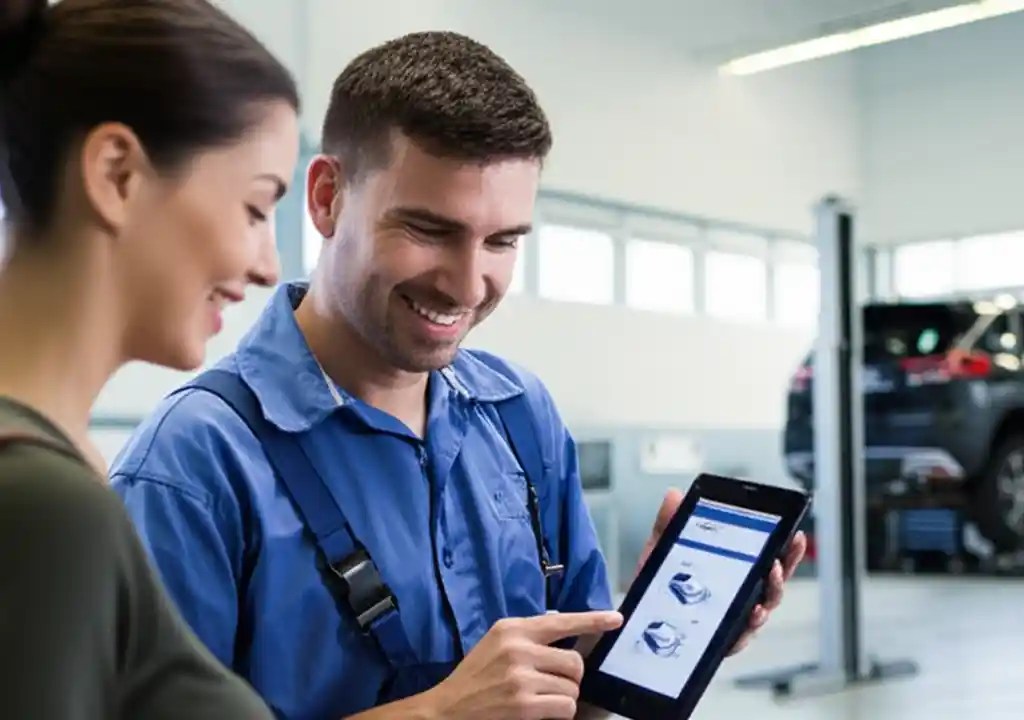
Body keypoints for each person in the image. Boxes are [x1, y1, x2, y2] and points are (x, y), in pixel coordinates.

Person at [110, 30, 807, 720]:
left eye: (502, 241)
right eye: (430, 230)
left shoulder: (518, 415)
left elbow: (572, 704)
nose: (469, 286)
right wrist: (438, 714)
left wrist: (649, 641)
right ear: (326, 198)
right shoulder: (192, 465)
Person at [0, 0, 301, 717]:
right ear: (117, 174)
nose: (269, 267)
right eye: (256, 209)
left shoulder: (58, 478)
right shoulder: (45, 505)